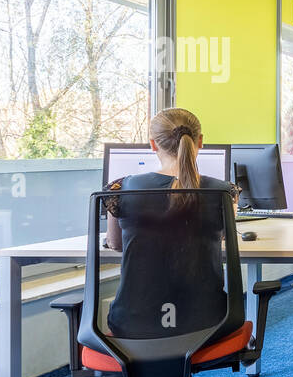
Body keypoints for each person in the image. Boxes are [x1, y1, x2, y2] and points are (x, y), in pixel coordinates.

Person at [102, 108, 242, 345]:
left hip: (133, 323)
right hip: (207, 321)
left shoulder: (120, 189)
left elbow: (115, 244)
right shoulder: (225, 193)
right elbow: (218, 237)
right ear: (200, 142)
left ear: (153, 145)